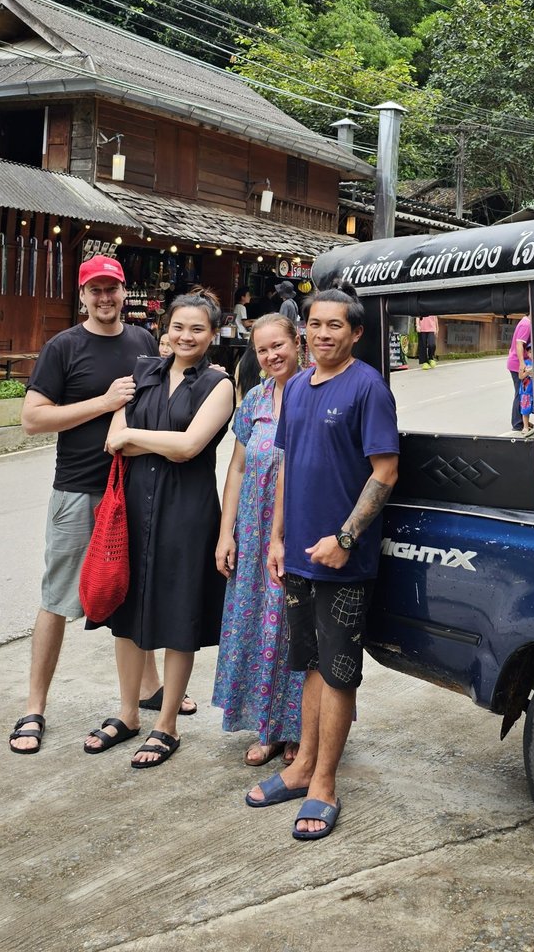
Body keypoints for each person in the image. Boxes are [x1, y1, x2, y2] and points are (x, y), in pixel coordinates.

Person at [246, 285, 399, 841]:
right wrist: (278, 537)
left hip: (343, 561)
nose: (323, 333)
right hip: (299, 557)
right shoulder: (299, 390)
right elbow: (287, 465)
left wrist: (344, 538)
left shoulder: (368, 388)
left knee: (337, 673)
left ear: (356, 333)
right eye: (315, 323)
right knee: (309, 663)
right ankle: (303, 763)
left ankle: (324, 784)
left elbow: (385, 472)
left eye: (336, 325)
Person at [7, 255, 158, 755]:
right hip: (78, 491)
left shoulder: (143, 341)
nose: (105, 298)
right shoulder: (63, 348)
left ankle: (147, 690)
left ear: (122, 290)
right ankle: (34, 707)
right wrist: (104, 402)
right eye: (95, 290)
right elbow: (32, 419)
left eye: (112, 288)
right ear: (82, 296)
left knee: (135, 591)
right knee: (58, 599)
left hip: (134, 487)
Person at [92, 289, 236, 767]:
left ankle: (166, 723)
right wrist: (137, 438)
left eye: (197, 329)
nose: (186, 336)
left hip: (188, 513)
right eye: (178, 327)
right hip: (134, 508)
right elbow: (115, 440)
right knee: (128, 614)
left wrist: (135, 435)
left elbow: (190, 447)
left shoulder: (219, 384)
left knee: (178, 617)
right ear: (164, 329)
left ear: (213, 334)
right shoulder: (141, 373)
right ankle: (128, 713)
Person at [213, 314, 305, 767]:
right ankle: (267, 727)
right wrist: (225, 532)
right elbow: (238, 468)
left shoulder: (315, 391)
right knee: (258, 625)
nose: (271, 356)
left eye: (278, 346)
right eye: (263, 350)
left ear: (297, 342)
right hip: (252, 531)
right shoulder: (255, 400)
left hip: (299, 532)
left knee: (295, 627)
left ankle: (300, 730)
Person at [507, 313, 533, 432]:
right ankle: (517, 423)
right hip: (518, 363)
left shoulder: (526, 323)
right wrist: (522, 363)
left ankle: (522, 421)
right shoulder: (526, 324)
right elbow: (519, 345)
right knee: (521, 392)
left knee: (522, 392)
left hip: (521, 363)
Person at [518, 344, 534, 438]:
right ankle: (525, 426)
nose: (532, 354)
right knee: (525, 410)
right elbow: (520, 376)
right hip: (526, 391)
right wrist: (527, 372)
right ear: (527, 353)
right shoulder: (525, 363)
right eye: (530, 352)